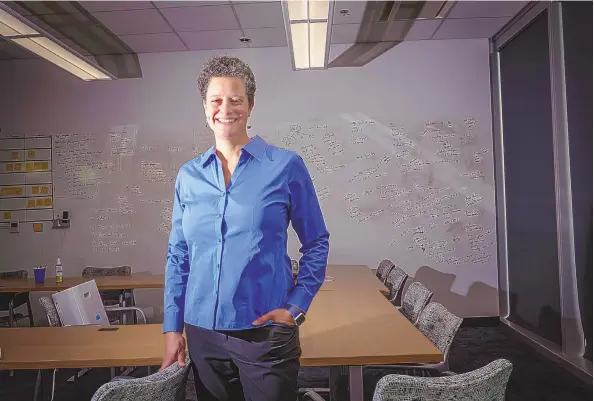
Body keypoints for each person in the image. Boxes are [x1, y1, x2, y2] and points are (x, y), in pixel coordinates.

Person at [160, 55, 330, 401]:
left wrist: (297, 307)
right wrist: (172, 326)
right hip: (202, 332)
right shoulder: (189, 176)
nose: (226, 109)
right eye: (216, 100)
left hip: (264, 331)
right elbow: (179, 254)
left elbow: (316, 242)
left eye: (236, 100)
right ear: (205, 108)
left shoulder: (285, 166)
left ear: (250, 105)